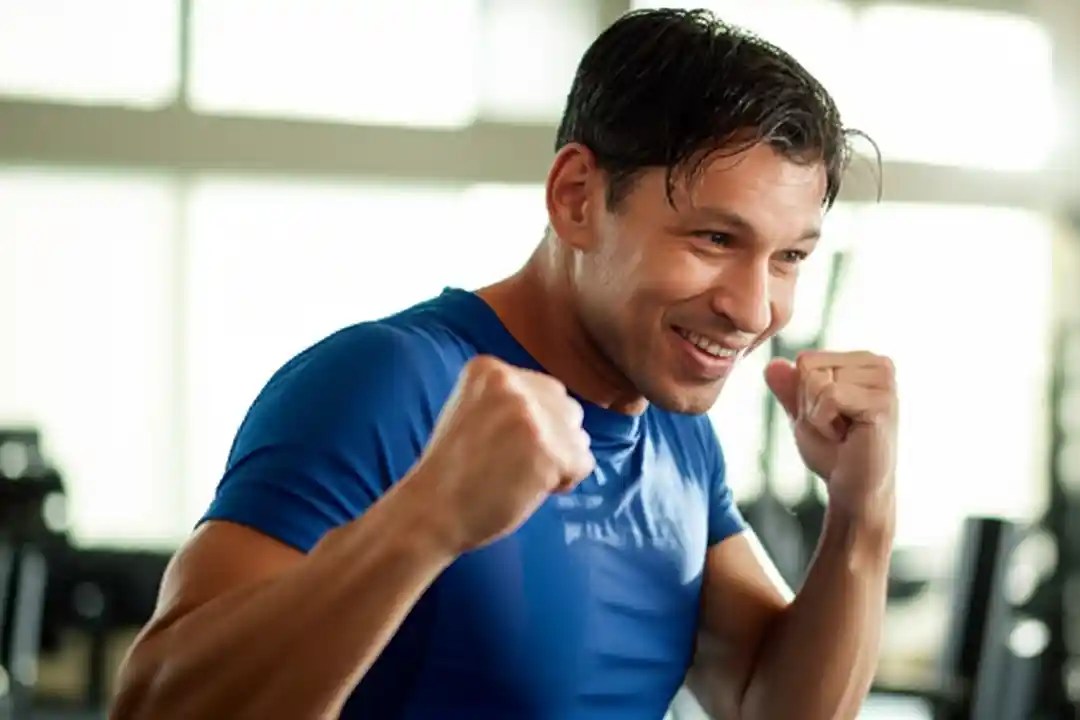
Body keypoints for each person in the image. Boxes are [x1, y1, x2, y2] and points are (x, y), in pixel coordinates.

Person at [111, 8, 897, 720]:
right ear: (578, 198)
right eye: (715, 240)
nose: (756, 309)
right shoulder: (384, 384)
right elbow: (155, 710)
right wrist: (426, 520)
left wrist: (862, 517)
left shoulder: (677, 441)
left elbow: (776, 709)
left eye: (788, 257)